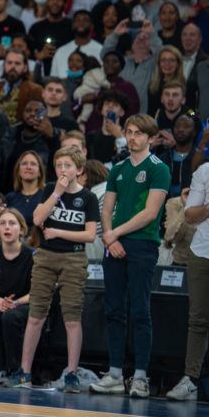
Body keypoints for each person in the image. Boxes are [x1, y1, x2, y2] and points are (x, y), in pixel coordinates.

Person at [4, 146, 99, 393]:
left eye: (68, 165)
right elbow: (37, 219)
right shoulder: (49, 190)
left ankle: (72, 374)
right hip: (46, 257)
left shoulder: (88, 198)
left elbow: (89, 235)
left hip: (73, 259)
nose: (63, 170)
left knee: (72, 317)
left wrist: (59, 232)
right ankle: (24, 371)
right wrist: (56, 193)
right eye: (59, 165)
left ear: (79, 170)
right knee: (36, 315)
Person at [90, 114, 170, 398]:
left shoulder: (158, 168)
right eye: (129, 132)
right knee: (113, 310)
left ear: (151, 138)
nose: (133, 137)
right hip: (116, 245)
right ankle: (114, 373)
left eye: (138, 133)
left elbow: (150, 213)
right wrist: (110, 237)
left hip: (143, 244)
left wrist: (112, 235)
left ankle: (140, 376)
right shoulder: (118, 168)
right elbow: (105, 209)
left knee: (140, 311)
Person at [166, 160, 209, 400]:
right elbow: (191, 215)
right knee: (198, 319)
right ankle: (190, 379)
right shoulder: (204, 171)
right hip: (203, 250)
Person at [0, 208, 33, 384]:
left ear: (22, 229)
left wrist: (15, 303)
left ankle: (16, 369)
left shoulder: (33, 256)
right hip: (0, 302)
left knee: (10, 317)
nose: (7, 228)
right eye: (3, 224)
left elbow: (38, 292)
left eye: (12, 223)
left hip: (24, 304)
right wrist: (2, 302)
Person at [5, 151, 46, 233]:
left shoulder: (47, 196)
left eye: (33, 164)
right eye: (24, 163)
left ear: (40, 172)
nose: (28, 167)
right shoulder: (9, 198)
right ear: (18, 171)